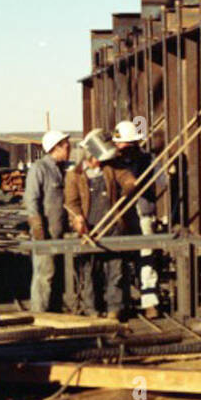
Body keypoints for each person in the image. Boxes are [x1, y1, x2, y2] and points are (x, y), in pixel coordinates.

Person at [65, 131, 133, 318]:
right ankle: (92, 309)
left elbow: (126, 178)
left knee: (116, 270)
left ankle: (114, 309)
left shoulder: (111, 168)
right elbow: (72, 203)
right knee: (90, 272)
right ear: (89, 156)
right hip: (90, 228)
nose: (99, 162)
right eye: (96, 159)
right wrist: (77, 219)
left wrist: (129, 185)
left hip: (113, 227)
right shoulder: (74, 175)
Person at [110, 118, 161, 318]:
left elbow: (162, 182)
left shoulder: (147, 160)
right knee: (119, 258)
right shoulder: (113, 162)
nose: (119, 147)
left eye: (121, 143)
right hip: (121, 214)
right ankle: (122, 302)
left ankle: (149, 301)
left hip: (142, 213)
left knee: (146, 257)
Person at [23, 130, 74, 312]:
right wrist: (37, 225)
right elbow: (31, 199)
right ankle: (39, 313)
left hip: (61, 233)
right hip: (45, 233)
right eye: (66, 146)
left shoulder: (63, 169)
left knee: (58, 275)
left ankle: (55, 311)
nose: (70, 149)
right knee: (44, 275)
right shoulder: (40, 168)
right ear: (55, 147)